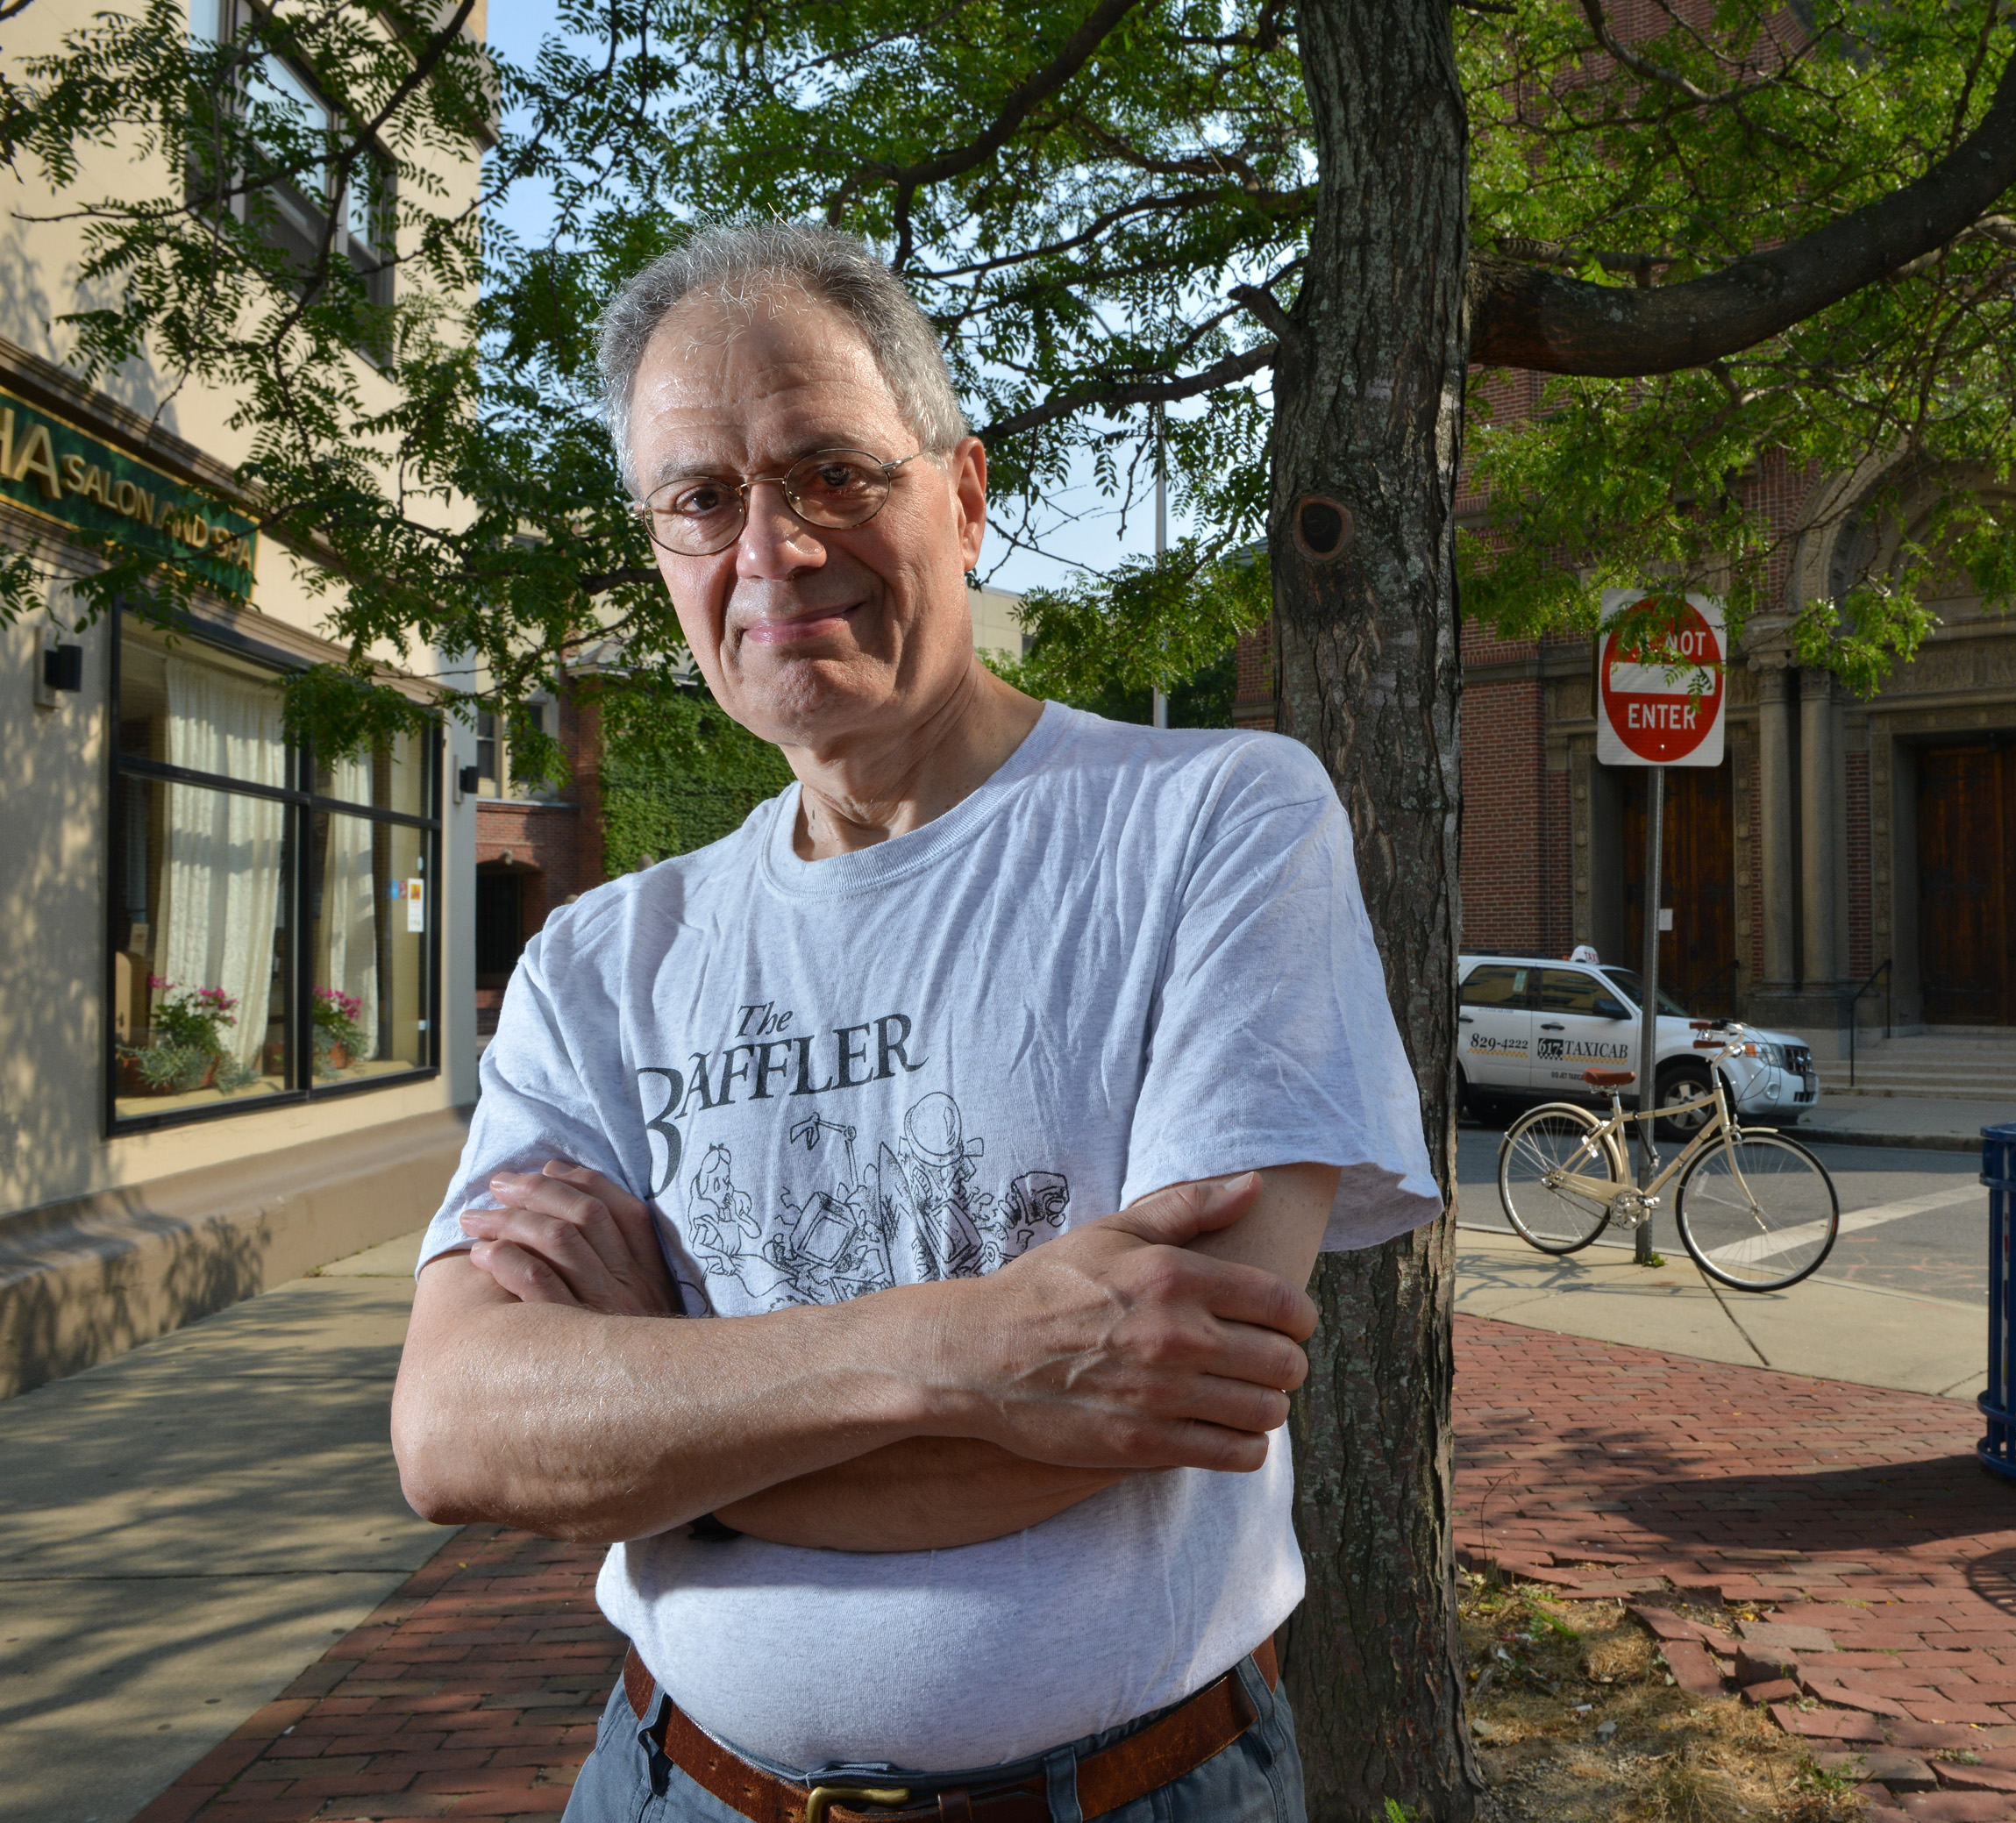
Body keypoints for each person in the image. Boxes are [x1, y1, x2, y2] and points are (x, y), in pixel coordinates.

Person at [388, 222, 1439, 1823]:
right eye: (703, 498)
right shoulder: (604, 955)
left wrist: (657, 1408)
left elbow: (1171, 1390)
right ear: (663, 547)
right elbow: (459, 1431)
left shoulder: (1216, 820)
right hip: (672, 1786)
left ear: (962, 491)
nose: (773, 549)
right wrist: (974, 1352)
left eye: (830, 473)